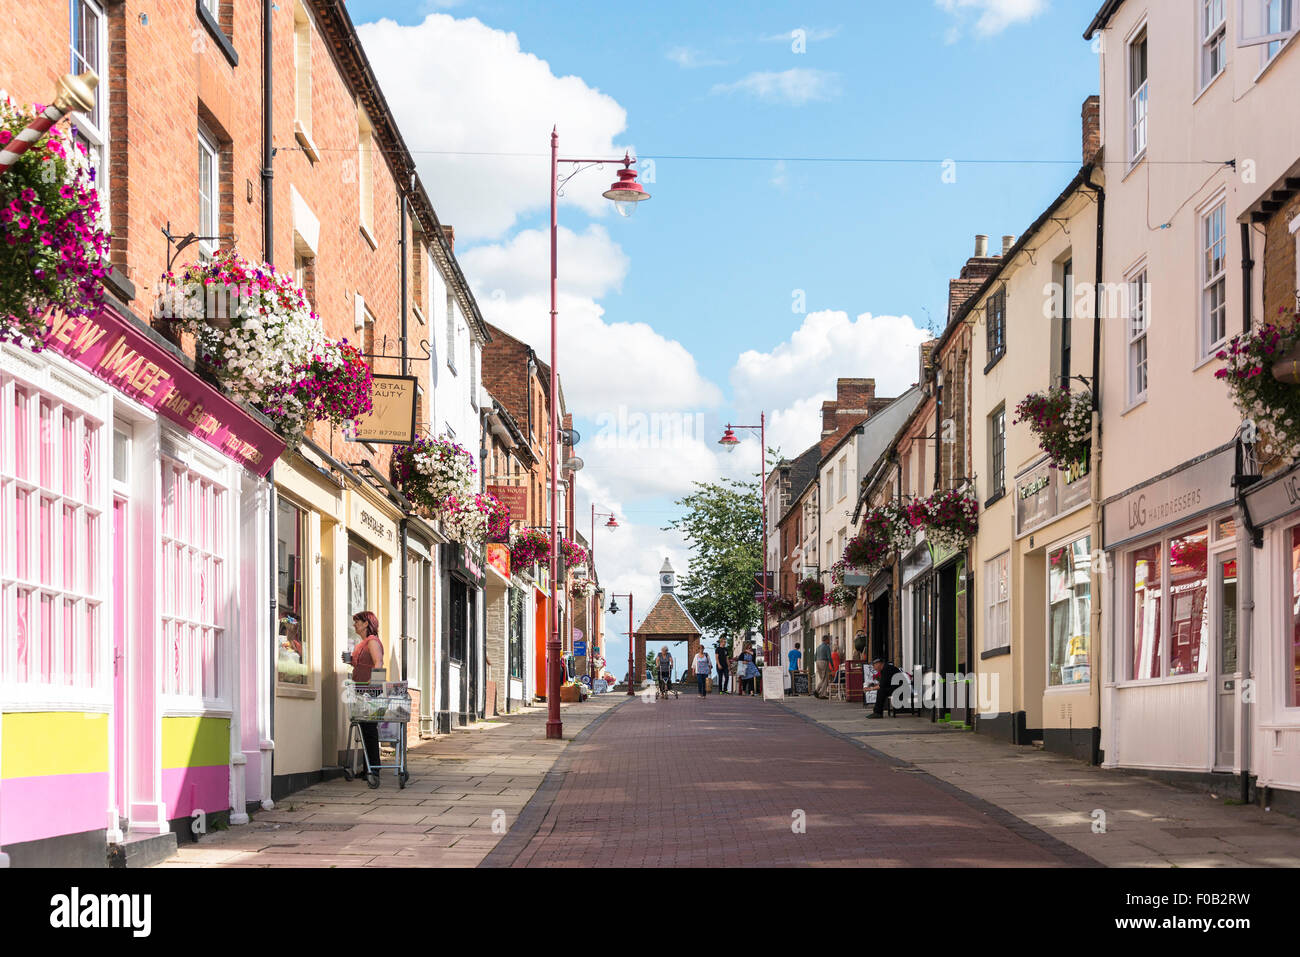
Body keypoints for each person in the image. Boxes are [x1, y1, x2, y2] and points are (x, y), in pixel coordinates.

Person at [342, 611, 383, 772]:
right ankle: (369, 768)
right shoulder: (364, 642)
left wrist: (373, 686)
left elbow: (378, 663)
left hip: (369, 690)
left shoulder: (372, 641)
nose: (354, 625)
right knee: (365, 729)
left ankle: (374, 768)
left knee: (369, 729)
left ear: (366, 623)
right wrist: (352, 661)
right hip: (362, 689)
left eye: (357, 621)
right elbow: (365, 665)